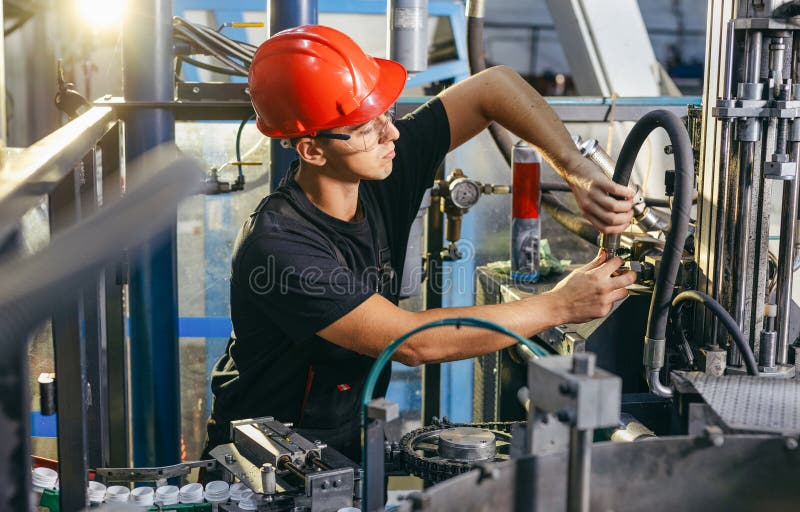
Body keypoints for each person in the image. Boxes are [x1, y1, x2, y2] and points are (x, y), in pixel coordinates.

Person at [204, 25, 636, 462]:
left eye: (385, 113)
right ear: (312, 150)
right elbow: (410, 342)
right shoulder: (278, 245)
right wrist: (558, 306)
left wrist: (576, 168)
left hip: (345, 441)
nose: (391, 134)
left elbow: (493, 85)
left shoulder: (378, 169)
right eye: (367, 127)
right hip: (259, 461)